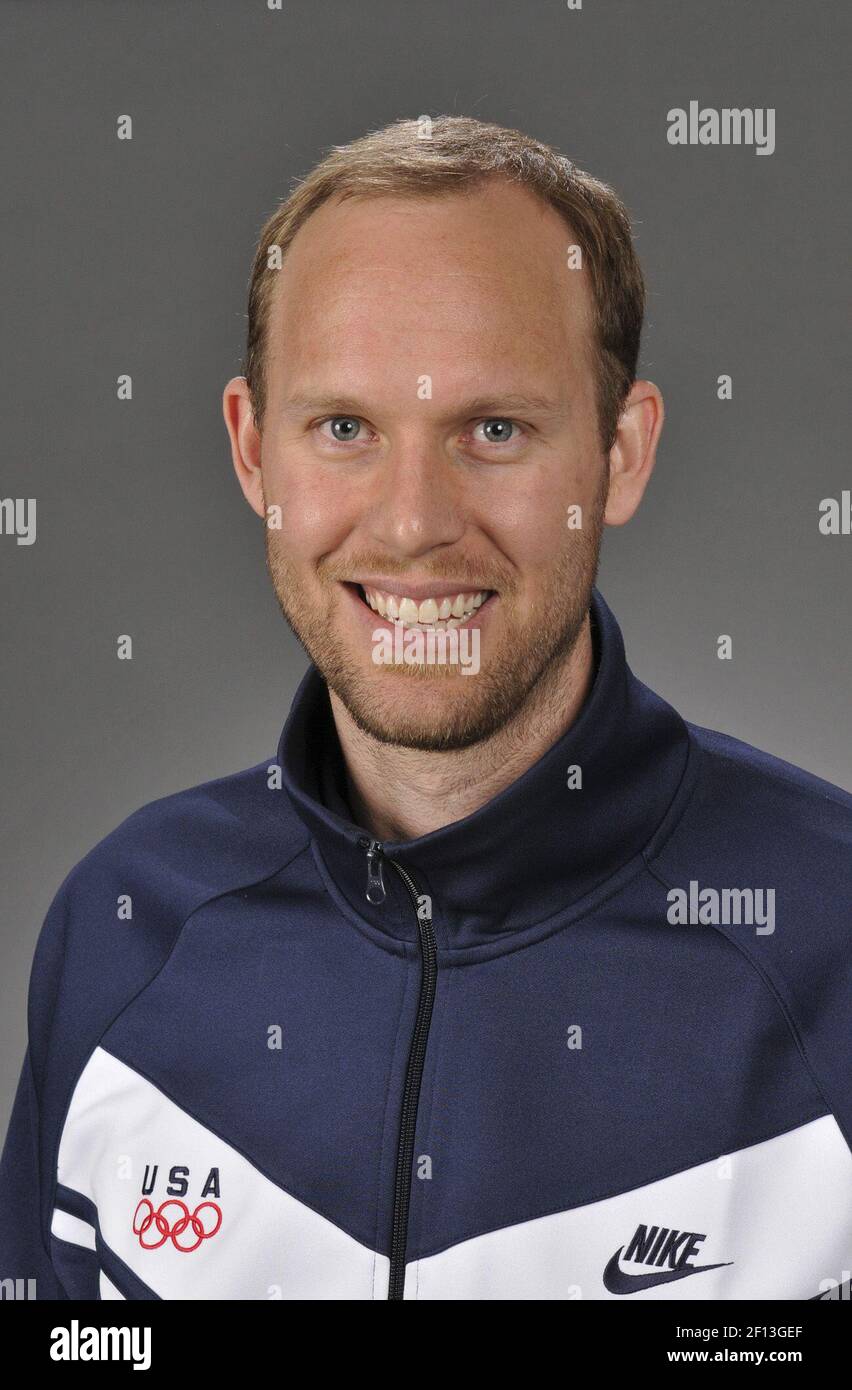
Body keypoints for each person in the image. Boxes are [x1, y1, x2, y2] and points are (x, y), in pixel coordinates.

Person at [1, 116, 850, 1301]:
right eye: (344, 428)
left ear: (622, 452)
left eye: (494, 429)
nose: (411, 524)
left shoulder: (833, 948)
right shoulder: (122, 926)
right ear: (254, 453)